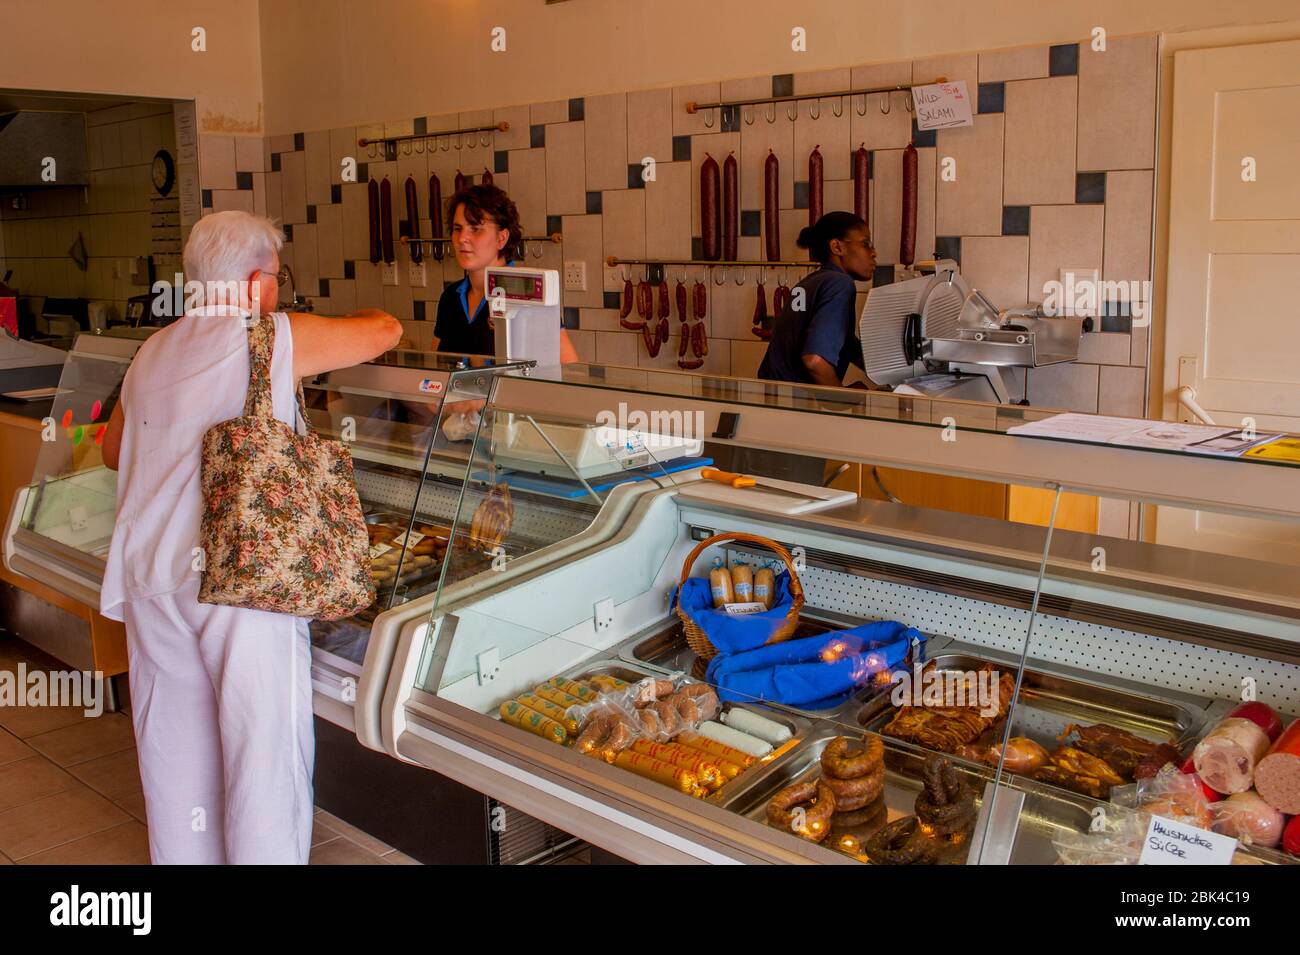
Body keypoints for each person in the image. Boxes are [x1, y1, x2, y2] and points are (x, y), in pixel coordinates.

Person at [98, 210, 402, 864]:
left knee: (174, 752)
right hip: (242, 578)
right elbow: (384, 332)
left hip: (152, 575)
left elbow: (111, 446)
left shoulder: (153, 348)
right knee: (262, 755)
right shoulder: (271, 335)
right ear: (259, 279)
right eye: (275, 278)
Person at [433, 182, 578, 362]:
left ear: (501, 238)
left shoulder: (526, 295)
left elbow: (568, 367)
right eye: (457, 229)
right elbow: (436, 365)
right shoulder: (450, 298)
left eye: (475, 229)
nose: (462, 238)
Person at [757, 211, 878, 388]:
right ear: (837, 247)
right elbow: (815, 360)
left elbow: (844, 342)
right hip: (793, 407)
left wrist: (891, 371)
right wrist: (840, 400)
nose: (873, 253)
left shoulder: (810, 282)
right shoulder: (840, 283)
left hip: (770, 398)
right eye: (865, 244)